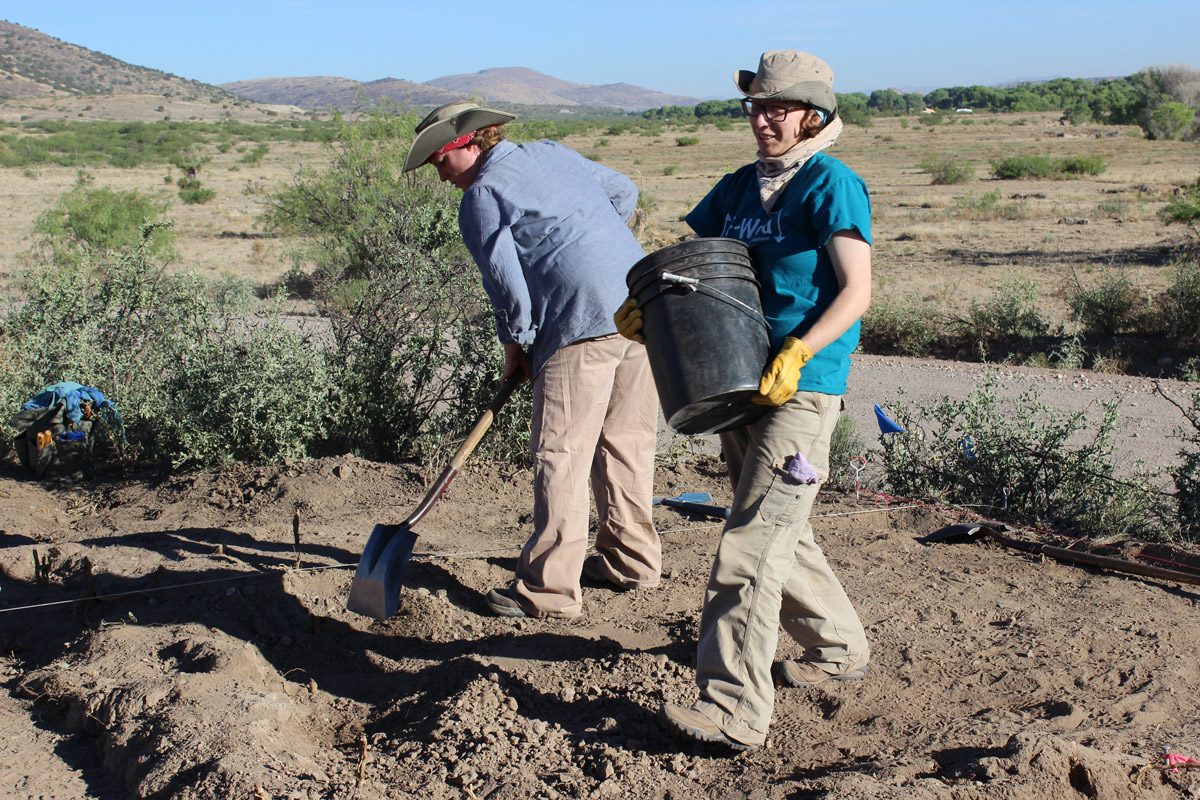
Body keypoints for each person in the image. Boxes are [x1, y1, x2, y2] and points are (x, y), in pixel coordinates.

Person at [616, 50, 872, 750]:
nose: (764, 119)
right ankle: (839, 649)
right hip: (739, 380)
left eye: (778, 108)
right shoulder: (737, 188)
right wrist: (652, 310)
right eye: (756, 107)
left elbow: (857, 289)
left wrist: (801, 350)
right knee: (778, 530)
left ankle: (733, 709)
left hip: (801, 388)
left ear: (813, 115)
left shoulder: (832, 184)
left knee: (750, 546)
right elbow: (700, 269)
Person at [402, 101, 662, 619]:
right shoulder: (551, 153)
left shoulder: (481, 195)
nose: (439, 175)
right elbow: (622, 192)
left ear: (466, 143)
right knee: (626, 440)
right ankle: (631, 562)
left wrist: (516, 346)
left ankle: (548, 591)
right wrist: (590, 244)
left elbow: (508, 288)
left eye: (439, 161)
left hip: (577, 324)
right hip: (643, 308)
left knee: (560, 454)